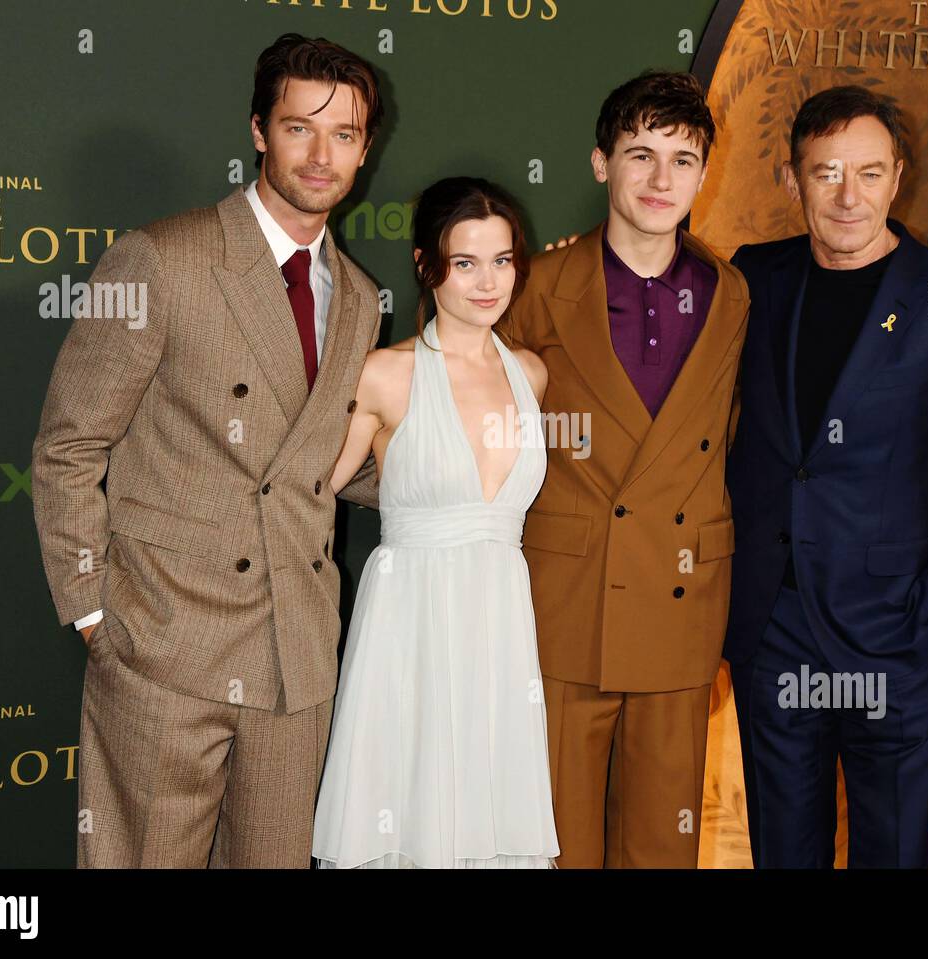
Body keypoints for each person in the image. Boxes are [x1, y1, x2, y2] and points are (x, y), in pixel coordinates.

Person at [31, 33, 385, 868]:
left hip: (296, 657)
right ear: (259, 129)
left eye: (344, 135)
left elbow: (319, 459)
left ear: (367, 149)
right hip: (165, 642)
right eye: (300, 127)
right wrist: (94, 611)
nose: (321, 154)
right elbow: (69, 445)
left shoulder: (364, 298)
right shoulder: (164, 259)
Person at [724, 85, 928, 867]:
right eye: (825, 173)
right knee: (784, 853)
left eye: (868, 172)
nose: (847, 196)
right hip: (775, 629)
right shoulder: (754, 278)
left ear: (898, 177)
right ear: (793, 180)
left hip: (897, 631)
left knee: (893, 854)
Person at [506, 71, 750, 868]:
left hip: (680, 605)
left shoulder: (731, 294)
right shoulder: (538, 284)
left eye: (682, 160)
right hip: (563, 603)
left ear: (704, 173)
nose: (660, 179)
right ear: (600, 163)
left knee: (661, 845)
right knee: (553, 843)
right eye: (640, 154)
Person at [311, 177, 559, 868]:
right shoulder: (384, 374)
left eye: (503, 260)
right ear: (427, 265)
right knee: (404, 812)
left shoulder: (531, 375)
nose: (489, 282)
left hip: (501, 628)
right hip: (408, 625)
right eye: (466, 262)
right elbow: (307, 491)